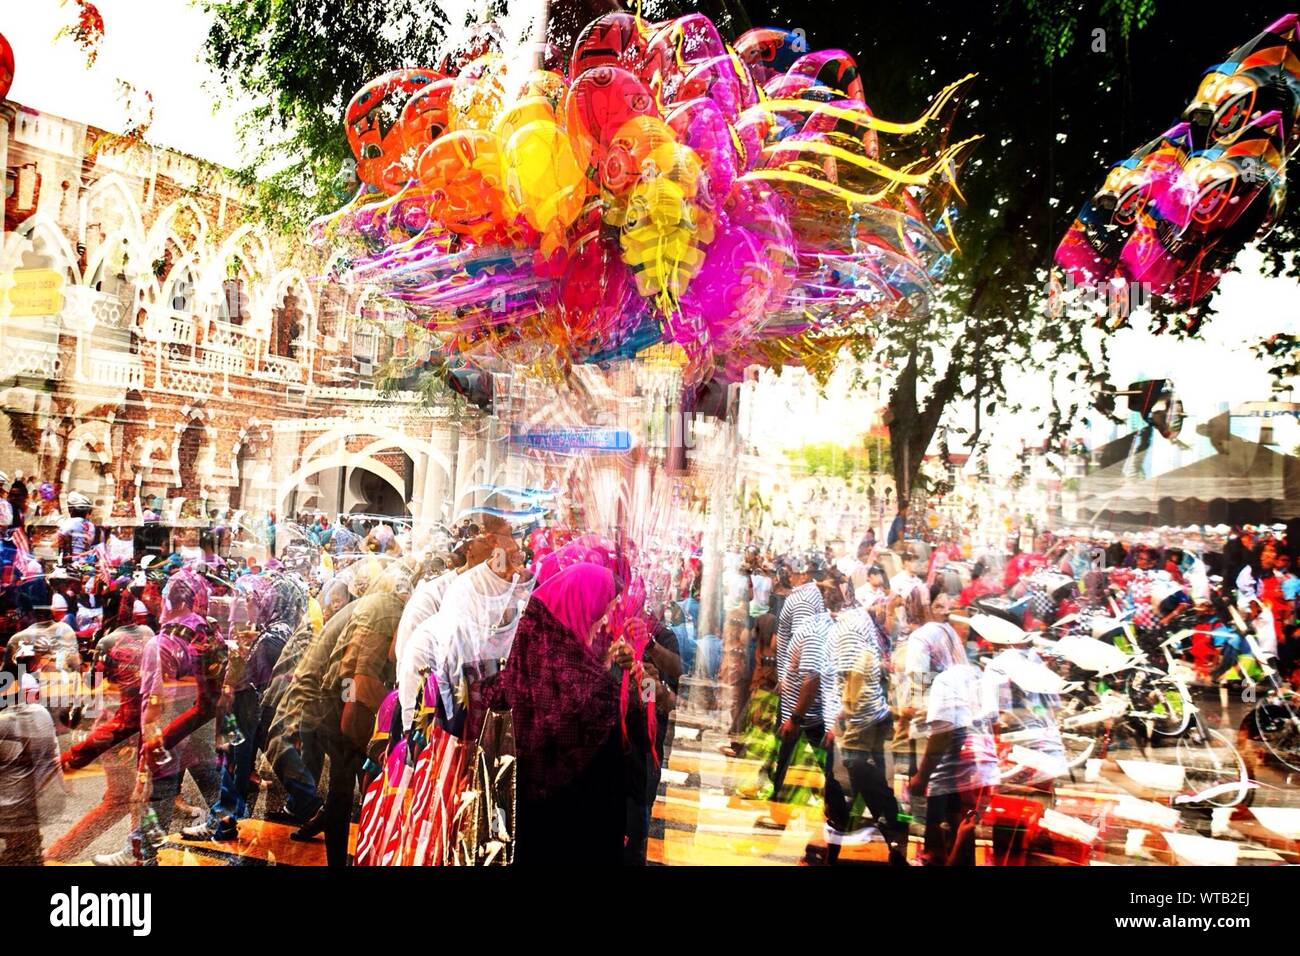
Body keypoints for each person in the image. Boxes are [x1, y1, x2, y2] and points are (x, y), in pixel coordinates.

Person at [264, 560, 412, 864]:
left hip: (323, 702)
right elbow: (355, 679)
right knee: (349, 785)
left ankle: (333, 839)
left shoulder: (374, 604)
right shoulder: (385, 611)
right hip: (327, 705)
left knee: (343, 789)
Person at [492, 562, 625, 865]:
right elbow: (609, 782)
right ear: (581, 607)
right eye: (599, 610)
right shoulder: (591, 686)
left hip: (521, 824)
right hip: (578, 832)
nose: (603, 620)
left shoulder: (523, 653)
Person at [822, 590, 908, 865]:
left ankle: (892, 835)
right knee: (860, 785)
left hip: (859, 721)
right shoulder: (858, 626)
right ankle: (842, 846)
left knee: (859, 781)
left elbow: (853, 684)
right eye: (886, 607)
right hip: (866, 718)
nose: (888, 613)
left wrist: (840, 723)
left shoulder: (853, 626)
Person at [0, 663, 66, 865]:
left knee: (18, 854)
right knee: (28, 853)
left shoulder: (3, 721)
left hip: (9, 811)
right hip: (39, 805)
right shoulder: (40, 713)